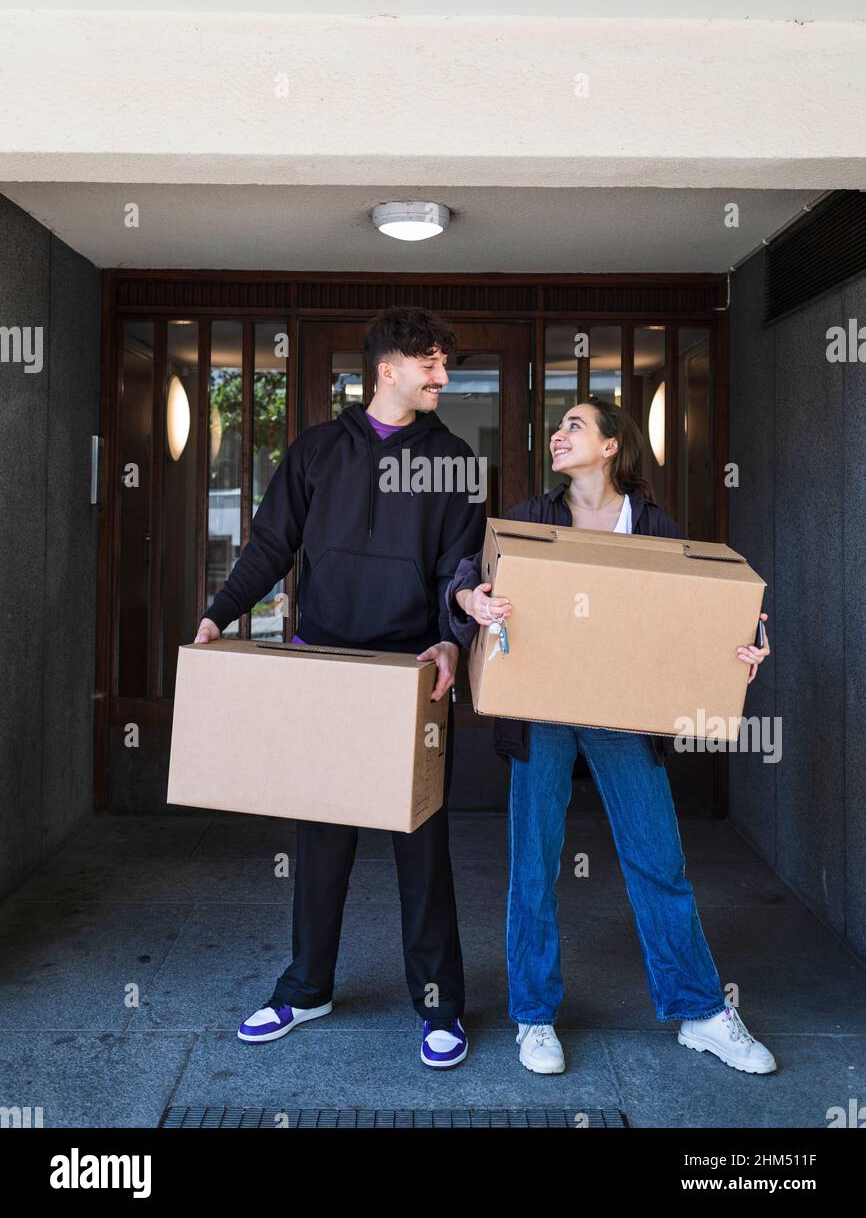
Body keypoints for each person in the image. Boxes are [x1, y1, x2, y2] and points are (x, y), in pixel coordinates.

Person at [446, 394, 774, 1077]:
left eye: (575, 426)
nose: (559, 435)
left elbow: (708, 610)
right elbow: (467, 577)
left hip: (622, 715)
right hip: (540, 711)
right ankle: (535, 1017)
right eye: (559, 426)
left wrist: (747, 643)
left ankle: (702, 1012)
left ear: (611, 446)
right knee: (533, 865)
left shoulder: (652, 525)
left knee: (659, 860)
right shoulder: (534, 517)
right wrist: (472, 601)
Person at [194, 307, 486, 1068]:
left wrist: (451, 643)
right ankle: (305, 988)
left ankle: (439, 1006)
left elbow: (463, 572)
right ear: (388, 368)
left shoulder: (452, 459)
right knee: (320, 845)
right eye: (431, 363)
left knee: (422, 848)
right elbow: (270, 545)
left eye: (445, 365)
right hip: (323, 669)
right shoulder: (319, 450)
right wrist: (219, 616)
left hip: (409, 677)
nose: (442, 377)